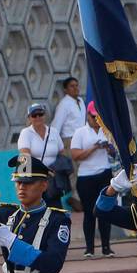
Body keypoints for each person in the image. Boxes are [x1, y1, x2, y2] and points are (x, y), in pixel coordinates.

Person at [68, 103, 116, 257]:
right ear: (87, 115)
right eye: (93, 116)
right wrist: (95, 147)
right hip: (86, 176)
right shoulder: (80, 132)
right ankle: (89, 248)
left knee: (105, 211)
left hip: (104, 173)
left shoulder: (106, 130)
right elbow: (75, 156)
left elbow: (116, 154)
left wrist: (109, 148)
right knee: (89, 213)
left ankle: (106, 247)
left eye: (98, 117)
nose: (96, 120)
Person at [18, 103, 66, 207]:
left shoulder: (53, 132)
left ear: (45, 115)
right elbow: (25, 155)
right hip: (35, 179)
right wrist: (44, 171)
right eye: (34, 115)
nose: (38, 117)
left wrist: (56, 168)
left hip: (53, 179)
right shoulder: (25, 133)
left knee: (55, 208)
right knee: (36, 208)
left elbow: (61, 153)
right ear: (29, 118)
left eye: (40, 114)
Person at [50, 77, 87, 210]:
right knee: (74, 172)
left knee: (84, 170)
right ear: (65, 89)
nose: (75, 88)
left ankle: (79, 198)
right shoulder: (64, 104)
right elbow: (56, 126)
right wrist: (56, 146)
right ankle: (76, 200)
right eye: (72, 86)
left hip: (82, 140)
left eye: (77, 85)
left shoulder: (81, 101)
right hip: (69, 141)